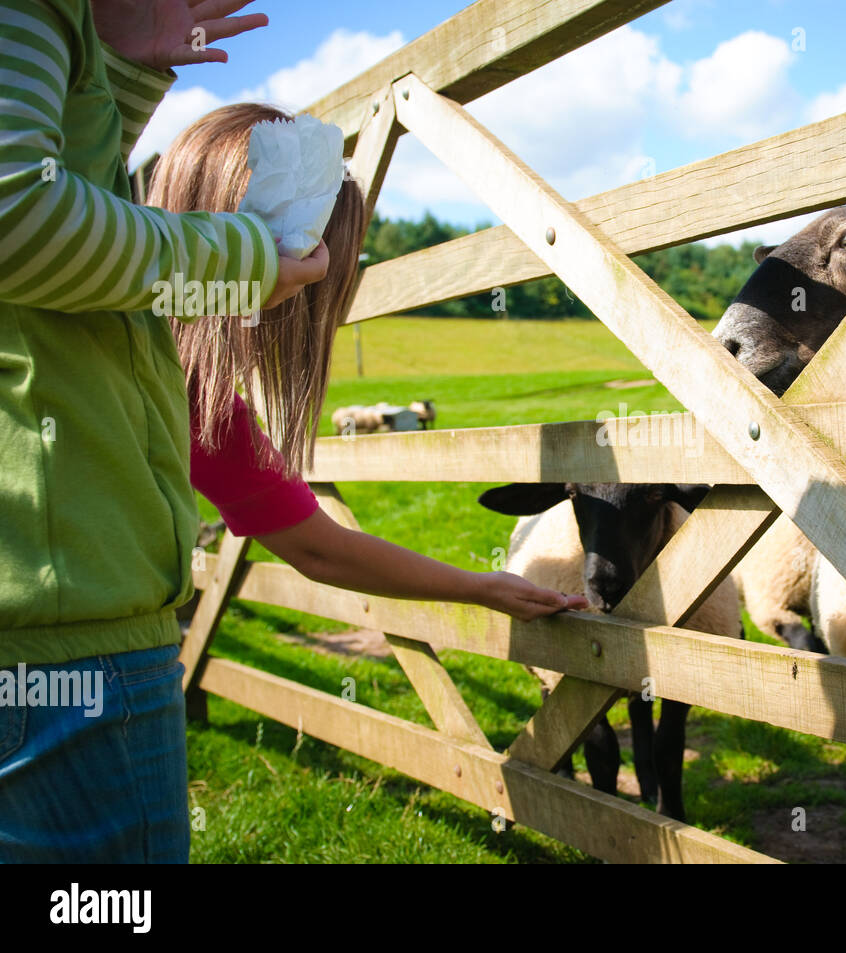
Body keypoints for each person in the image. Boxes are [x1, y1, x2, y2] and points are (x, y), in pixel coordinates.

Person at [0, 0, 326, 862]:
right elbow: (16, 225)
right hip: (70, 615)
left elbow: (64, 263)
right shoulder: (201, 392)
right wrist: (247, 262)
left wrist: (118, 68)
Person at [149, 102, 588, 619]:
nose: (306, 295)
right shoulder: (178, 389)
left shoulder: (203, 403)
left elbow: (317, 548)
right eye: (305, 270)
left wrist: (484, 588)